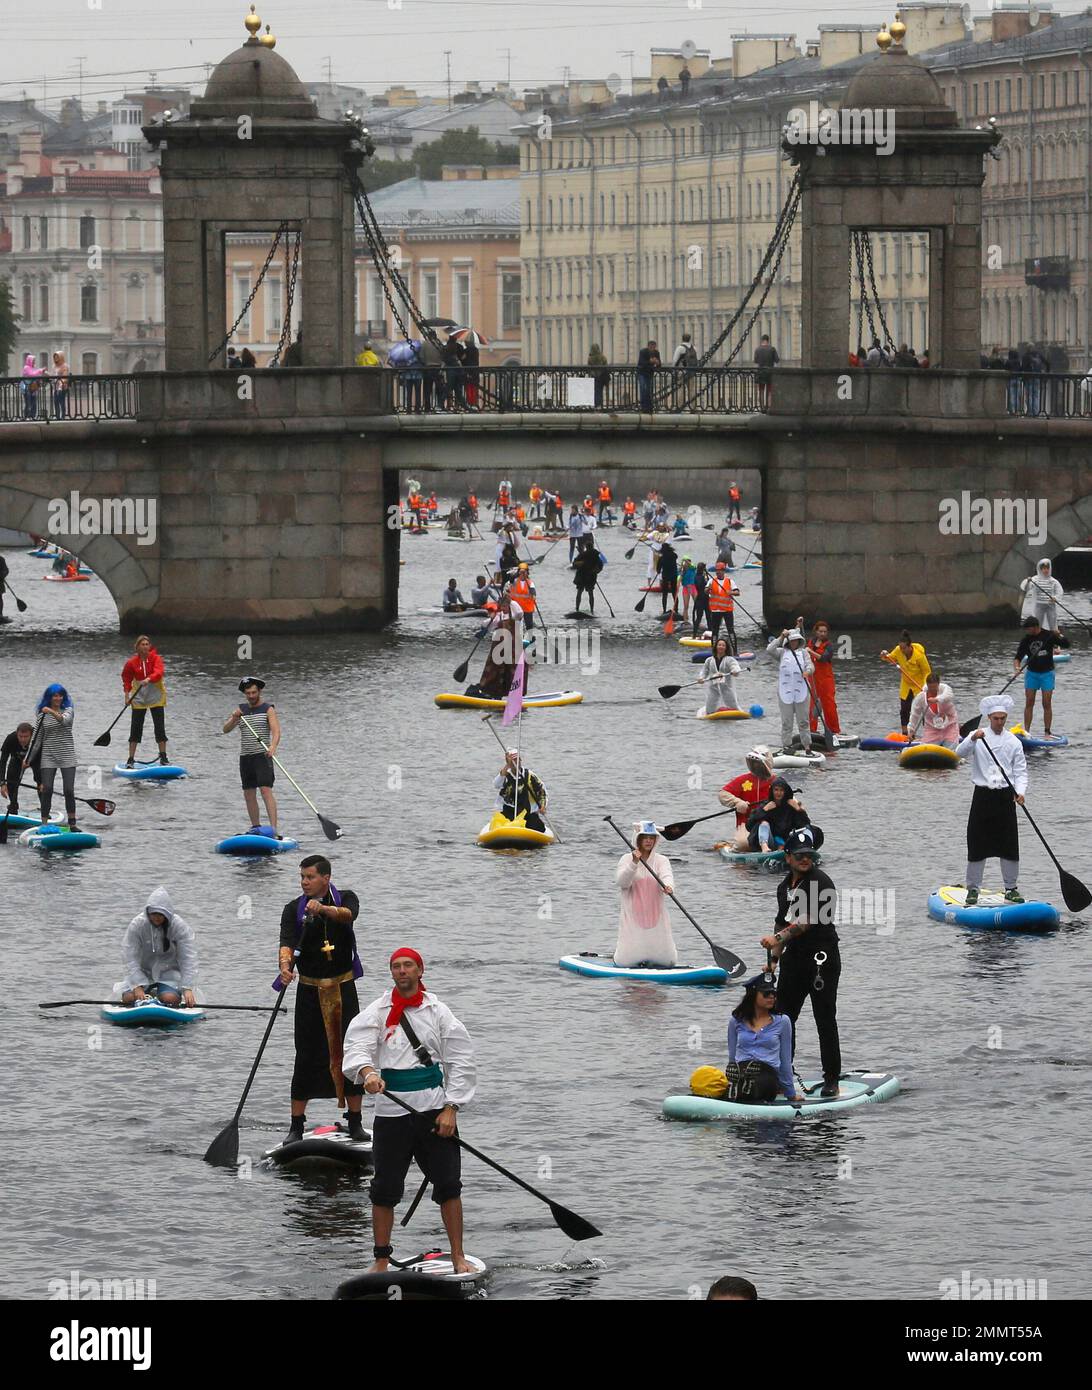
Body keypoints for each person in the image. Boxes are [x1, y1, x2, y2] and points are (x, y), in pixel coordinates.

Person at [343, 947, 477, 1276]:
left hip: (433, 1111)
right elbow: (356, 1046)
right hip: (391, 1113)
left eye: (407, 966)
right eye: (396, 966)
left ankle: (458, 1255)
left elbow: (461, 1059)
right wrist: (367, 1073)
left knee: (448, 1185)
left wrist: (452, 1108)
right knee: (385, 1189)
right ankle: (381, 1259)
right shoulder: (377, 1011)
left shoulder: (438, 1011)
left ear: (420, 971)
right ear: (391, 973)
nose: (401, 971)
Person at [279, 855, 366, 1143]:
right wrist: (284, 966)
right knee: (305, 1055)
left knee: (351, 1053)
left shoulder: (347, 898)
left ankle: (354, 1122)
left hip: (343, 988)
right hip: (308, 990)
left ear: (325, 878)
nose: (304, 882)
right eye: (302, 877)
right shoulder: (293, 909)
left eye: (310, 877)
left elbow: (348, 915)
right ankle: (296, 1125)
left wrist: (324, 909)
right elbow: (287, 942)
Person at [760, 826, 840, 1097]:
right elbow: (781, 921)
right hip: (793, 961)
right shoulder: (784, 886)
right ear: (788, 857)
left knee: (824, 1019)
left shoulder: (822, 882)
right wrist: (773, 959)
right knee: (783, 1020)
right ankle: (784, 1076)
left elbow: (807, 921)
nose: (805, 859)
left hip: (822, 961)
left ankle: (832, 1079)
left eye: (809, 854)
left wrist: (779, 936)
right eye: (800, 855)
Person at [955, 696, 1028, 904]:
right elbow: (958, 753)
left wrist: (1020, 791)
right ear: (989, 717)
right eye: (996, 719)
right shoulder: (977, 736)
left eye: (1003, 719)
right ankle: (973, 889)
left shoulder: (1014, 742)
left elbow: (1021, 772)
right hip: (983, 796)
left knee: (1009, 844)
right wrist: (972, 739)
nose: (999, 723)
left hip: (1005, 797)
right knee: (977, 843)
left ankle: (1011, 888)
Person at [726, 973, 800, 1103]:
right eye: (766, 994)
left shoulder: (783, 1021)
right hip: (742, 1068)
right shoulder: (736, 1021)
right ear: (753, 995)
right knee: (737, 1074)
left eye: (773, 993)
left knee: (761, 1080)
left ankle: (745, 1088)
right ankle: (739, 1086)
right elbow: (732, 1058)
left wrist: (790, 1094)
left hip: (767, 1071)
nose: (771, 997)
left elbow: (785, 1061)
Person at [120, 887, 198, 1009]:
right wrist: (137, 985)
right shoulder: (137, 925)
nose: (157, 917)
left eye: (161, 914)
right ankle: (147, 993)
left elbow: (188, 958)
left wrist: (187, 987)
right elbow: (129, 956)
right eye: (154, 913)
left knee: (170, 999)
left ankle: (165, 994)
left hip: (169, 973)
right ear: (148, 913)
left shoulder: (179, 926)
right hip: (143, 972)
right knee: (129, 999)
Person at [614, 820, 677, 968]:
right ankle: (631, 955)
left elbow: (667, 876)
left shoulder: (662, 860)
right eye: (645, 837)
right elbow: (622, 882)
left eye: (651, 838)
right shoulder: (626, 859)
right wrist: (634, 863)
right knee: (625, 960)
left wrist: (668, 886)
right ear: (638, 839)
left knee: (669, 961)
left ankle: (657, 956)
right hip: (633, 915)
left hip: (656, 915)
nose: (648, 841)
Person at [222, 677, 280, 834]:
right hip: (246, 757)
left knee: (265, 790)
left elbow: (276, 731)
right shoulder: (241, 710)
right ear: (244, 694)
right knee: (248, 792)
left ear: (259, 691)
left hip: (263, 755)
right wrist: (234, 717)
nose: (251, 696)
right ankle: (256, 827)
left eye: (254, 692)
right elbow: (225, 729)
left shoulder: (268, 709)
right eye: (248, 693)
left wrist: (273, 746)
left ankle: (273, 829)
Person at [25, 684, 78, 829]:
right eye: (55, 695)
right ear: (49, 697)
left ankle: (72, 823)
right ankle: (44, 824)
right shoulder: (42, 716)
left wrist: (49, 710)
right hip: (48, 755)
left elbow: (64, 721)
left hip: (67, 754)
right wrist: (28, 760)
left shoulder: (68, 711)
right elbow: (36, 740)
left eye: (60, 695)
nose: (58, 698)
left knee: (68, 790)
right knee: (47, 789)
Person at [121, 635, 170, 768]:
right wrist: (126, 696)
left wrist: (148, 679)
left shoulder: (156, 659)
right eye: (142, 644)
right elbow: (126, 678)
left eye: (147, 644)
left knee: (159, 728)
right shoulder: (131, 663)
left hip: (156, 696)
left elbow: (159, 672)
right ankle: (130, 759)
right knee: (136, 728)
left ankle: (163, 757)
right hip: (139, 697)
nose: (145, 646)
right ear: (137, 647)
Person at [1016, 614, 1068, 737]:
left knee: (1046, 702)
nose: (1027, 631)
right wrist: (1017, 668)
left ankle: (1047, 731)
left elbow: (1067, 644)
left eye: (1028, 629)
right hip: (1032, 674)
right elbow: (1017, 658)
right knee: (1029, 702)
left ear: (1035, 627)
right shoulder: (1026, 640)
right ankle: (1027, 731)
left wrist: (1059, 635)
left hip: (1047, 673)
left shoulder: (1049, 635)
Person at [767, 628, 814, 752]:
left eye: (796, 641)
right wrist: (781, 637)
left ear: (799, 641)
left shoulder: (804, 653)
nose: (794, 643)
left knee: (803, 721)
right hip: (785, 692)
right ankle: (787, 746)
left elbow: (810, 666)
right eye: (792, 641)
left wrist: (807, 671)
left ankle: (807, 746)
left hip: (802, 691)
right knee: (786, 722)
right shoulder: (781, 653)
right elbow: (769, 649)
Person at [719, 745, 774, 850]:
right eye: (754, 763)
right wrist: (737, 802)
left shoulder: (776, 782)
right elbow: (723, 794)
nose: (757, 766)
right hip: (746, 826)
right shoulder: (743, 781)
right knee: (744, 844)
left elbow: (790, 798)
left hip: (772, 825)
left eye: (759, 763)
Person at [880, 630, 931, 735]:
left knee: (923, 709)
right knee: (904, 709)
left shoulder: (919, 656)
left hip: (919, 684)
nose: (902, 650)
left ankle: (929, 733)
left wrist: (926, 686)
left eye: (904, 648)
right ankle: (905, 733)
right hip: (906, 684)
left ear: (909, 646)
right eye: (900, 648)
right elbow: (891, 658)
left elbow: (927, 672)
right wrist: (884, 655)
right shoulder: (898, 650)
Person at [744, 776, 809, 854]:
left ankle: (805, 847)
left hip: (786, 840)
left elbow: (805, 825)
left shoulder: (791, 806)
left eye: (781, 790)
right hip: (768, 841)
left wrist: (799, 810)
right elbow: (749, 826)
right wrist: (764, 810)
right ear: (772, 791)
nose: (778, 793)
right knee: (764, 823)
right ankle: (764, 848)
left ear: (785, 792)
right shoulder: (765, 805)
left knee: (808, 829)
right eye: (776, 790)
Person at [494, 749, 548, 830]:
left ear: (520, 760)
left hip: (528, 813)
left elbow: (542, 791)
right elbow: (496, 784)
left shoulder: (529, 775)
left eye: (517, 760)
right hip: (509, 812)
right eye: (513, 761)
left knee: (538, 827)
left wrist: (543, 806)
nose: (515, 763)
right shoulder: (505, 775)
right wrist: (507, 765)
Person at [806, 620, 841, 737]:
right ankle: (812, 730)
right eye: (820, 631)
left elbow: (824, 658)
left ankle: (833, 730)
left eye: (825, 632)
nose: (823, 633)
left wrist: (810, 651)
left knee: (829, 704)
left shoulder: (829, 646)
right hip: (813, 678)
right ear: (816, 631)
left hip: (826, 679)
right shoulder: (810, 642)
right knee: (812, 704)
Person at [907, 672, 960, 747]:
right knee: (925, 751)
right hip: (931, 730)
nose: (932, 690)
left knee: (952, 750)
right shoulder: (921, 697)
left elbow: (949, 695)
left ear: (938, 684)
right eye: (930, 688)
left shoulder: (945, 689)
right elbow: (915, 715)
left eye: (934, 687)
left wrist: (937, 699)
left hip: (949, 727)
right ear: (927, 685)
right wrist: (911, 730)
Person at [1, 721, 38, 815]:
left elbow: (43, 758)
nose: (23, 739)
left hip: (35, 760)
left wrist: (41, 781)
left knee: (42, 784)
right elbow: (3, 761)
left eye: (26, 737)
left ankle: (45, 811)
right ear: (17, 734)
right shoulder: (11, 738)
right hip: (17, 760)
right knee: (11, 781)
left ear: (31, 735)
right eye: (20, 736)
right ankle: (13, 806)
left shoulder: (37, 739)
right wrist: (2, 783)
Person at [699, 637, 743, 715]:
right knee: (710, 709)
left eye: (723, 645)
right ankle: (710, 712)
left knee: (733, 707)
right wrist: (701, 678)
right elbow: (704, 671)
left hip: (727, 688)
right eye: (719, 645)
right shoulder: (709, 660)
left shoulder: (730, 660)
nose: (721, 647)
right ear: (716, 646)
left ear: (726, 648)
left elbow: (735, 666)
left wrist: (735, 671)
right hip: (713, 688)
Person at [1019, 558, 1064, 632]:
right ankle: (1039, 636)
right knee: (1038, 623)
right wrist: (1027, 581)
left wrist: (1055, 598)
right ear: (1040, 569)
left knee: (1052, 623)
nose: (1045, 570)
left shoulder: (1053, 581)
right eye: (1043, 569)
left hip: (1050, 606)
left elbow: (1060, 592)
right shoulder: (1035, 580)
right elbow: (1026, 588)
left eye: (1047, 568)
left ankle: (1054, 636)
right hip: (1039, 605)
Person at [706, 561, 739, 650]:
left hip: (727, 610)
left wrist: (730, 592)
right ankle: (714, 651)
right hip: (715, 611)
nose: (718, 572)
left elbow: (737, 592)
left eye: (720, 570)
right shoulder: (711, 581)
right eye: (717, 570)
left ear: (723, 571)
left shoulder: (729, 581)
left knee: (730, 631)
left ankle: (735, 651)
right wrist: (708, 589)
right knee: (715, 632)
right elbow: (706, 591)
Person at [572, 537, 604, 613]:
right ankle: (592, 610)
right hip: (590, 576)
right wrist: (595, 571)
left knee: (579, 592)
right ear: (592, 547)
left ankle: (577, 609)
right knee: (590, 593)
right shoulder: (595, 556)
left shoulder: (583, 555)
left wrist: (580, 563)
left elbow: (574, 564)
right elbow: (600, 566)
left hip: (583, 576)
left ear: (586, 547)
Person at [671, 333, 698, 411]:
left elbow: (675, 360)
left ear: (682, 339)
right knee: (691, 390)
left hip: (681, 372)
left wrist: (674, 371)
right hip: (691, 372)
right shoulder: (694, 348)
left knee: (681, 389)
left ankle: (680, 406)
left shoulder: (680, 348)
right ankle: (693, 407)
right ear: (689, 339)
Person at [753, 334, 779, 409]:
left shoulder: (757, 349)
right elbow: (777, 360)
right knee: (770, 391)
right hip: (770, 372)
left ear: (762, 340)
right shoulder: (772, 349)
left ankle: (762, 407)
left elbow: (756, 361)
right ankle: (769, 407)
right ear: (768, 340)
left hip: (761, 372)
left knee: (761, 390)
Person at [509, 562, 538, 630]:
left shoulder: (530, 583)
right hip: (517, 608)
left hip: (527, 608)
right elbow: (511, 580)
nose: (522, 574)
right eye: (521, 572)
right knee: (516, 624)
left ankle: (529, 637)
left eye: (524, 572)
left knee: (529, 625)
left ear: (527, 573)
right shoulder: (514, 581)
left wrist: (533, 595)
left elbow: (533, 591)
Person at [636, 340, 661, 413]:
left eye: (654, 347)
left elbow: (659, 365)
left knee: (649, 390)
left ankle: (649, 407)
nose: (652, 348)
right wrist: (650, 361)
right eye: (651, 347)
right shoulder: (643, 352)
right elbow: (641, 362)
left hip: (650, 373)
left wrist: (657, 363)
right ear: (648, 346)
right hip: (642, 373)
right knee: (643, 389)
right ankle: (644, 407)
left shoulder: (656, 353)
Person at [658, 540, 679, 616]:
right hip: (674, 576)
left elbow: (658, 570)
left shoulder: (661, 558)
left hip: (666, 577)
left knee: (665, 594)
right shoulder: (674, 556)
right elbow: (676, 556)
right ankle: (676, 610)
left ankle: (664, 610)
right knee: (674, 593)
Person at [691, 560, 710, 635]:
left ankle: (710, 632)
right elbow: (702, 585)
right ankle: (694, 634)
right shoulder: (698, 577)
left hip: (704, 599)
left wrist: (706, 575)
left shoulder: (701, 576)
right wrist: (705, 576)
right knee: (699, 617)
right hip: (701, 599)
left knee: (708, 617)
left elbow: (708, 584)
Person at [588, 344, 610, 409]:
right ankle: (603, 404)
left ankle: (597, 404)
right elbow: (606, 367)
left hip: (595, 377)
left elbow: (589, 368)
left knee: (596, 391)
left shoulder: (590, 358)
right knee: (602, 391)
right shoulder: (603, 357)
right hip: (603, 377)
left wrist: (594, 374)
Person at [51, 352, 71, 419]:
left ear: (61, 357)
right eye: (55, 357)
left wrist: (60, 384)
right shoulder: (54, 366)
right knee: (56, 401)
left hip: (62, 387)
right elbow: (53, 375)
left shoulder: (65, 366)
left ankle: (63, 416)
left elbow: (65, 377)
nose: (56, 358)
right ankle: (57, 416)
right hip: (56, 387)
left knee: (61, 402)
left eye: (57, 357)